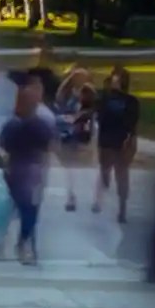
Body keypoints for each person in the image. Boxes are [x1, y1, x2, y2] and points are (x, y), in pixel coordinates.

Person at [0, 71, 57, 265]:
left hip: (20, 168)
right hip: (29, 169)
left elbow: (5, 145)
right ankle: (23, 244)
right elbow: (48, 148)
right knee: (28, 209)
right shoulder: (39, 123)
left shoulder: (16, 124)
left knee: (22, 208)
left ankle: (17, 243)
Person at [95, 65, 140, 222]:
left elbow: (132, 122)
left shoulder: (131, 101)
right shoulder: (105, 98)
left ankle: (122, 209)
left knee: (122, 174)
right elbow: (99, 116)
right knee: (104, 170)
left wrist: (130, 140)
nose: (113, 80)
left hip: (122, 141)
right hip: (106, 140)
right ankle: (100, 198)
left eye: (116, 78)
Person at [56, 79, 97, 212]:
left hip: (81, 144)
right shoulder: (84, 110)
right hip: (81, 144)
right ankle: (75, 198)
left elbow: (78, 123)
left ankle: (75, 198)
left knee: (76, 172)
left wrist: (64, 119)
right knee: (77, 173)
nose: (79, 95)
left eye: (81, 93)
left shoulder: (87, 112)